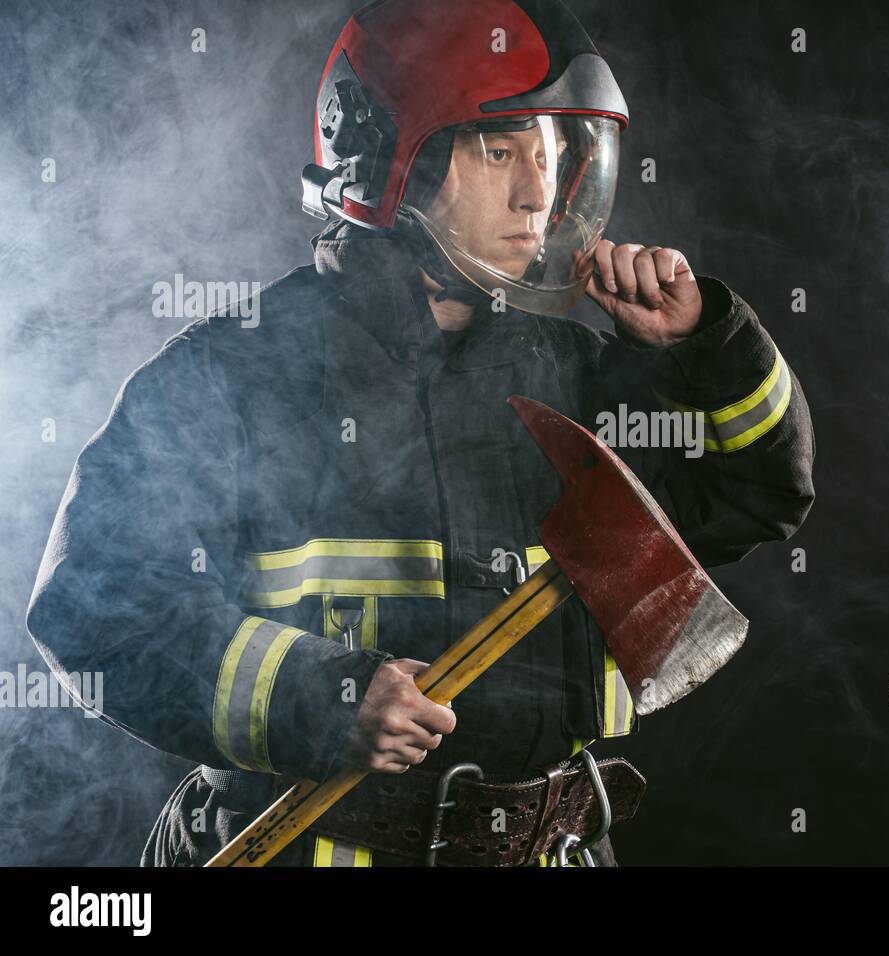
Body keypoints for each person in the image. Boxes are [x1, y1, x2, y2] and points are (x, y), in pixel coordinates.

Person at [25, 0, 815, 867]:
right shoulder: (233, 379)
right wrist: (315, 697)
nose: (537, 192)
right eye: (498, 148)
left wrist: (708, 350)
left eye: (549, 153)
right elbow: (93, 605)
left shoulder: (585, 379)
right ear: (388, 156)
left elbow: (763, 492)